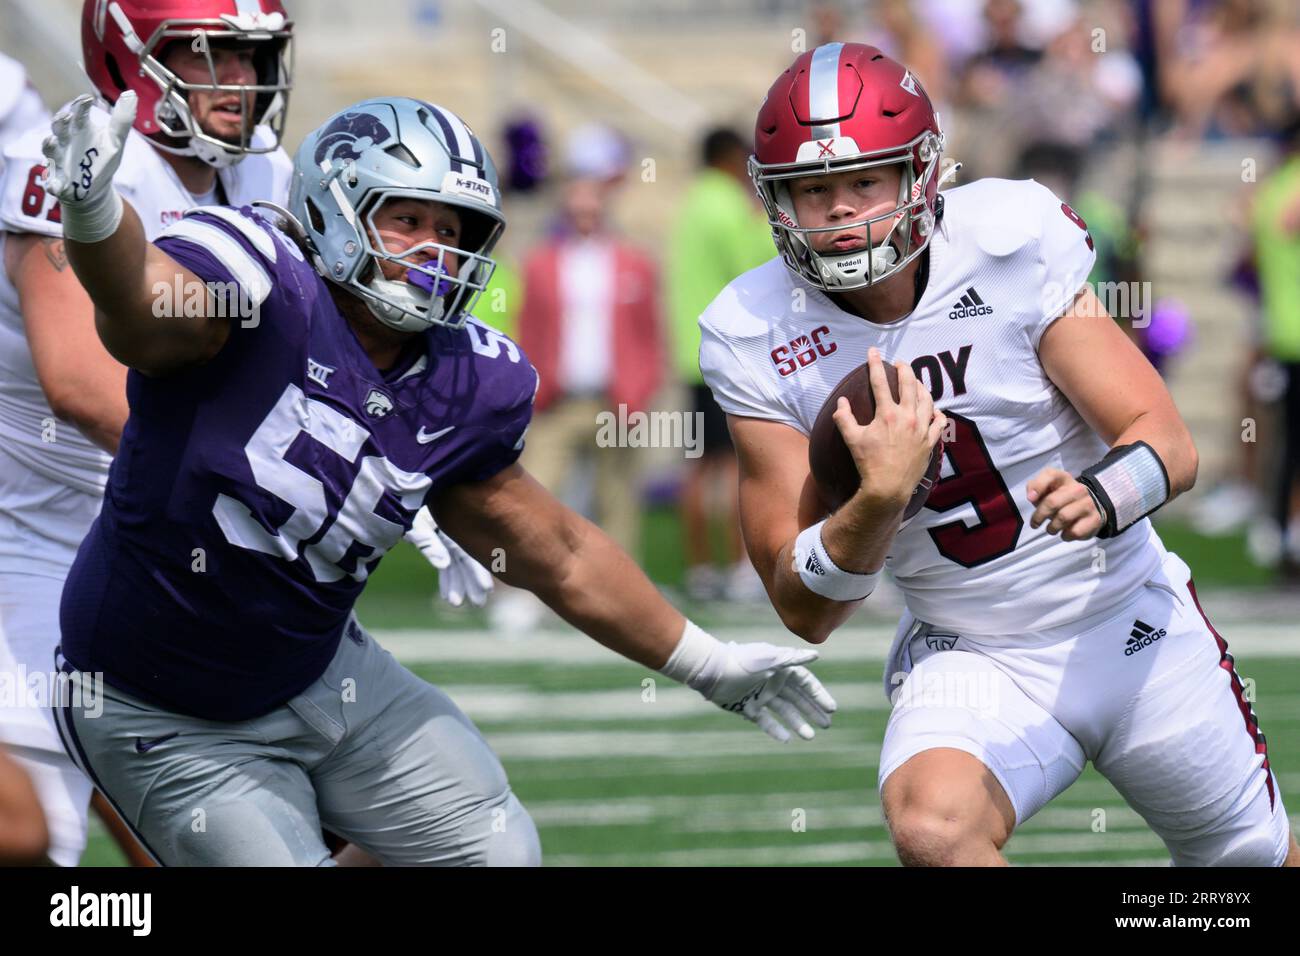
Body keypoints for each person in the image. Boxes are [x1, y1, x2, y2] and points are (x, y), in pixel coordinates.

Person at [39, 93, 837, 866]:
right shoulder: (260, 281)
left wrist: (703, 662)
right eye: (408, 219)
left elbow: (555, 549)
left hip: (315, 671)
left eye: (452, 231)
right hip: (157, 703)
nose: (434, 247)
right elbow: (141, 307)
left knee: (494, 848)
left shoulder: (464, 377)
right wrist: (95, 214)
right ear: (333, 208)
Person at [699, 41, 1297, 866]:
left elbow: (1167, 441)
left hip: (1126, 620)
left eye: (863, 180)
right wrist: (876, 501)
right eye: (814, 189)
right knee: (933, 828)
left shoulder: (1007, 239)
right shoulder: (755, 330)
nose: (840, 210)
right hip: (969, 647)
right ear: (776, 200)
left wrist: (1102, 494)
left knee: (1248, 861)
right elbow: (803, 607)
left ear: (921, 174)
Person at [667, 126, 773, 600]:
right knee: (736, 465)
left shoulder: (689, 204)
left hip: (688, 350)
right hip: (725, 350)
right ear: (731, 158)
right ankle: (739, 570)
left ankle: (702, 569)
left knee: (697, 468)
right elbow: (758, 263)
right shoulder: (729, 206)